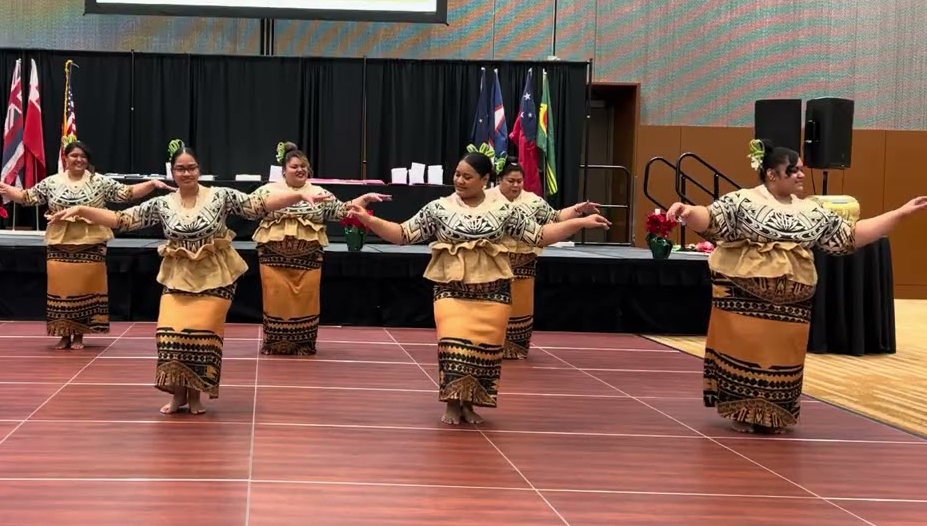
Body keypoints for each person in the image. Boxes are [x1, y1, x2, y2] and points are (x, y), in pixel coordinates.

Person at [46, 140, 334, 415]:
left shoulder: (220, 196)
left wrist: (298, 194)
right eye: (181, 168)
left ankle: (195, 394)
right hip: (178, 278)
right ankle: (178, 394)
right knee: (169, 336)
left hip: (215, 278)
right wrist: (83, 209)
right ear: (173, 172)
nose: (187, 173)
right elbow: (124, 220)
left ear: (199, 169)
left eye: (191, 167)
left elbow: (255, 206)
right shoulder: (163, 204)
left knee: (201, 335)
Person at [667, 139, 926, 434]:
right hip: (742, 296)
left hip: (792, 302)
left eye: (801, 169)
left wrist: (899, 214)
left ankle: (776, 415)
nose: (801, 175)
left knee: (782, 357)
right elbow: (712, 218)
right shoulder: (742, 201)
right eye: (793, 170)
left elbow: (849, 236)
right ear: (771, 175)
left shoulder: (812, 211)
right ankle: (742, 411)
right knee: (745, 352)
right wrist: (688, 212)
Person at [344, 151, 610, 425]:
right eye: (457, 174)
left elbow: (539, 235)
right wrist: (368, 219)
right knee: (452, 345)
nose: (459, 180)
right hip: (451, 289)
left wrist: (579, 222)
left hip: (494, 291)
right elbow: (403, 234)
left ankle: (469, 405)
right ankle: (451, 402)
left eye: (467, 176)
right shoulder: (439, 208)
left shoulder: (504, 210)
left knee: (483, 351)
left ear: (485, 180)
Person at [0, 139, 171, 350]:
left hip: (91, 244)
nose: (79, 160)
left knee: (87, 289)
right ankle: (64, 334)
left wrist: (151, 184)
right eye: (74, 156)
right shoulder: (52, 182)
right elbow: (27, 197)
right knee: (61, 291)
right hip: (60, 244)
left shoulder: (99, 182)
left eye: (83, 157)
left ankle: (80, 336)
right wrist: (4, 188)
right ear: (65, 159)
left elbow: (126, 193)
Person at [251, 142, 389, 356]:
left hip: (308, 258)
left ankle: (304, 344)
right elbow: (248, 208)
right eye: (295, 166)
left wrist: (364, 198)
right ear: (284, 170)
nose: (300, 170)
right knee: (276, 298)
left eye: (303, 166)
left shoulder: (318, 192)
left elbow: (341, 211)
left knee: (306, 300)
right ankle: (275, 343)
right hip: (272, 258)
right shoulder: (268, 191)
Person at [492, 162, 599, 359]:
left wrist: (578, 209)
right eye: (510, 181)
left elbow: (555, 218)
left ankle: (515, 350)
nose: (515, 185)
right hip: (492, 265)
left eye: (519, 181)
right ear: (499, 180)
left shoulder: (533, 201)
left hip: (523, 265)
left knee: (520, 310)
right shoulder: (486, 200)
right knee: (492, 311)